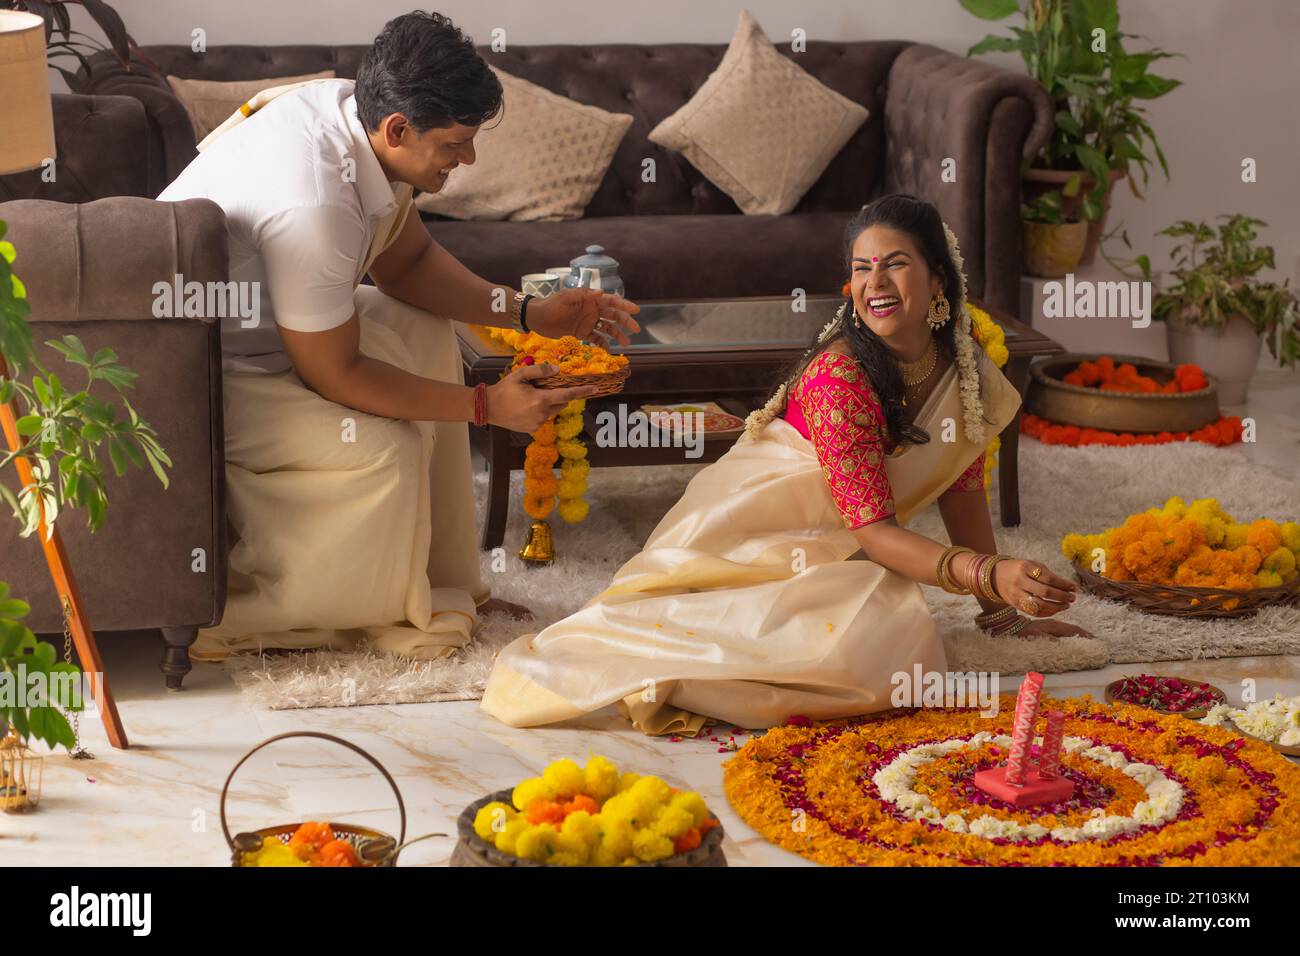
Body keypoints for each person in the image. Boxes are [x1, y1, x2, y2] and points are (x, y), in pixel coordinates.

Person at [482, 194, 1093, 736]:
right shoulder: (842, 375)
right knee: (882, 642)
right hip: (753, 536)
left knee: (890, 624)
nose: (874, 281)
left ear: (938, 281)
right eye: (861, 268)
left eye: (895, 263)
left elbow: (959, 484)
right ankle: (674, 671)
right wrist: (990, 572)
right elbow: (875, 533)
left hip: (845, 542)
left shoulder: (964, 366)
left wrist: (1000, 615)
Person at [157, 11, 639, 661]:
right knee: (380, 450)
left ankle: (442, 581)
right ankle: (339, 606)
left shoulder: (347, 110)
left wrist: (530, 312)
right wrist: (485, 407)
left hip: (277, 327)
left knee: (422, 325)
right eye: (454, 145)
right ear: (397, 129)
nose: (467, 159)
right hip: (201, 369)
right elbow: (338, 374)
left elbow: (406, 265)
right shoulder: (317, 200)